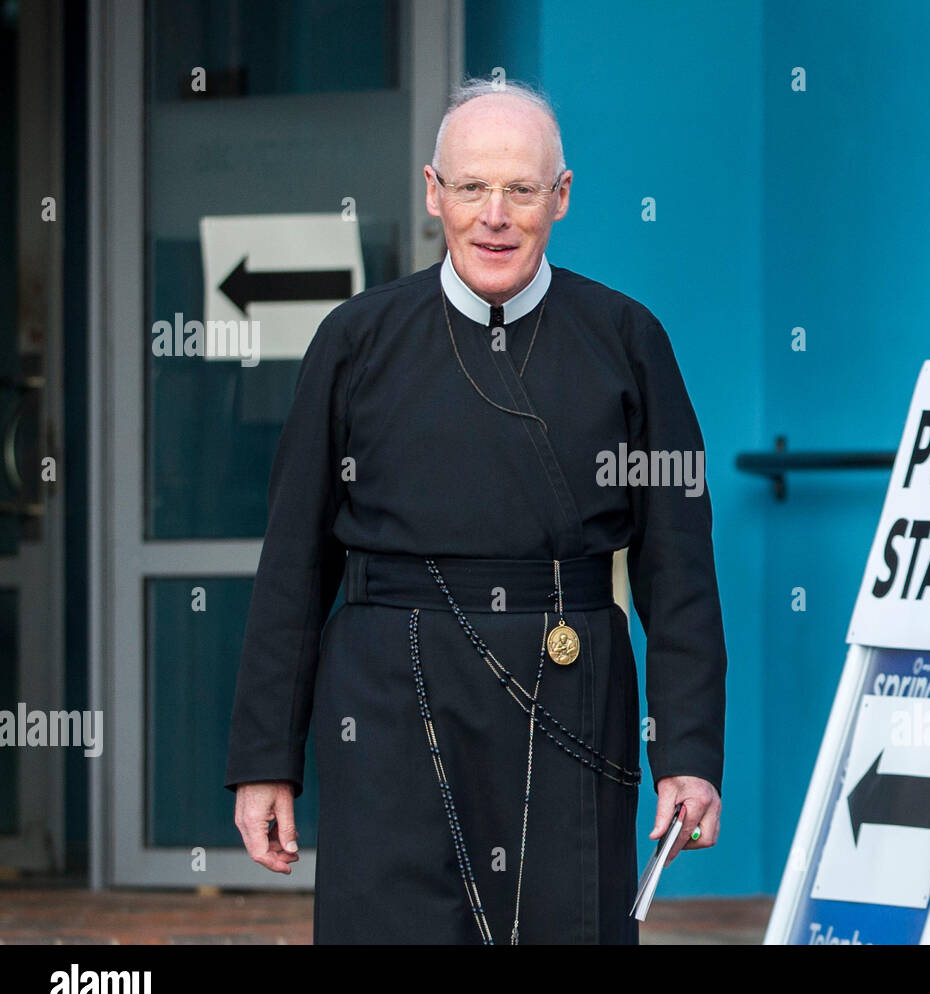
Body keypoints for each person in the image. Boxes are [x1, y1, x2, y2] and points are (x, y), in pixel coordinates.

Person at [223, 78, 727, 944]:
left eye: (522, 190)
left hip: (568, 689)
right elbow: (294, 564)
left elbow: (678, 565)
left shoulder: (629, 339)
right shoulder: (354, 339)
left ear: (560, 198)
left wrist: (686, 755)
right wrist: (266, 761)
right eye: (471, 188)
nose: (495, 215)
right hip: (384, 697)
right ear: (433, 192)